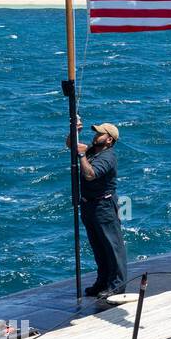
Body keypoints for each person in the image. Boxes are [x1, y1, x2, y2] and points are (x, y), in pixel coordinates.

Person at [66, 118, 126, 299]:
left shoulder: (108, 156)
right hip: (89, 204)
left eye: (100, 133)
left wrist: (82, 156)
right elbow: (71, 145)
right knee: (98, 246)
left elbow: (90, 175)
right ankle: (102, 281)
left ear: (109, 139)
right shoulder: (94, 151)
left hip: (103, 205)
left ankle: (117, 285)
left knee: (112, 246)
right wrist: (74, 131)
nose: (96, 135)